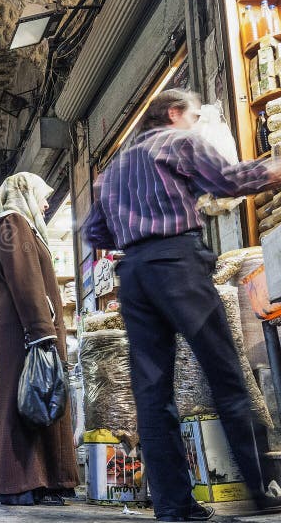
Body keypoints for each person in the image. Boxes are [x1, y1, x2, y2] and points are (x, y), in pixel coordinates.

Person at [83, 88, 281, 521]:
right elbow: (227, 181)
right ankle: (261, 487)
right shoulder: (178, 142)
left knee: (152, 395)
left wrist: (137, 235)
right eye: (192, 114)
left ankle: (173, 505)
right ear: (173, 114)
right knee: (225, 373)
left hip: (134, 275)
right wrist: (272, 171)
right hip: (177, 265)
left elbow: (95, 233)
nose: (195, 122)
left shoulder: (113, 170)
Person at [0, 172, 79, 507]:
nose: (46, 203)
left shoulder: (21, 226)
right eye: (42, 195)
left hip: (29, 329)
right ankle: (21, 482)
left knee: (40, 400)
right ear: (24, 193)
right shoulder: (12, 224)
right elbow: (26, 282)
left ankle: (43, 480)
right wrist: (41, 332)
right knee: (24, 401)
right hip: (24, 331)